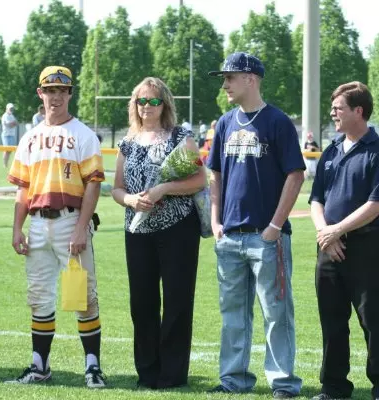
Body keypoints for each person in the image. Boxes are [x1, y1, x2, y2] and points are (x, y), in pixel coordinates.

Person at [207, 52, 304, 398]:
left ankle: (282, 382)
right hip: (230, 236)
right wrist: (216, 221)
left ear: (251, 78)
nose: (225, 84)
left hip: (267, 237)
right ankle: (233, 380)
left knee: (276, 313)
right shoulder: (224, 123)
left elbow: (296, 174)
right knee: (233, 314)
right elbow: (214, 175)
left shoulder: (277, 122)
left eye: (230, 77)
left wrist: (276, 226)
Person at [5, 66, 106, 388]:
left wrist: (80, 227)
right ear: (40, 94)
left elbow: (92, 185)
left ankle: (92, 366)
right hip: (36, 225)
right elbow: (22, 189)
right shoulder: (30, 137)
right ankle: (39, 365)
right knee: (39, 296)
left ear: (70, 94)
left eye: (62, 91)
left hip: (68, 221)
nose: (56, 96)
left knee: (81, 296)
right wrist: (16, 228)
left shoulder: (83, 134)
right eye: (50, 90)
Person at [111, 77, 206, 389]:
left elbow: (199, 180)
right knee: (142, 303)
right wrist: (130, 200)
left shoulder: (182, 138)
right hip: (137, 229)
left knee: (177, 301)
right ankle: (147, 372)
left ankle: (172, 374)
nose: (146, 107)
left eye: (153, 101)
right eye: (141, 101)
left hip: (178, 228)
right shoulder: (127, 142)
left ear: (165, 104)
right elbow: (116, 189)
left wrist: (164, 187)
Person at [309, 82, 379, 400]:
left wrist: (337, 230)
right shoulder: (332, 149)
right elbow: (316, 200)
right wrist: (326, 234)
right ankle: (334, 386)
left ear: (358, 111)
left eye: (338, 108)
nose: (333, 113)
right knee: (332, 320)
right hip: (329, 248)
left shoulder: (376, 150)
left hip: (367, 248)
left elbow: (375, 204)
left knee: (373, 320)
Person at [1, 103, 18, 168]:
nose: (11, 109)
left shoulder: (12, 115)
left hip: (11, 135)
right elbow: (9, 125)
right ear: (7, 109)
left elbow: (16, 123)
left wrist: (12, 124)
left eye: (12, 108)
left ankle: (7, 164)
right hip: (6, 135)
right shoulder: (5, 116)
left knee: (10, 151)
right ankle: (4, 164)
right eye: (10, 108)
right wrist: (13, 123)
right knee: (6, 150)